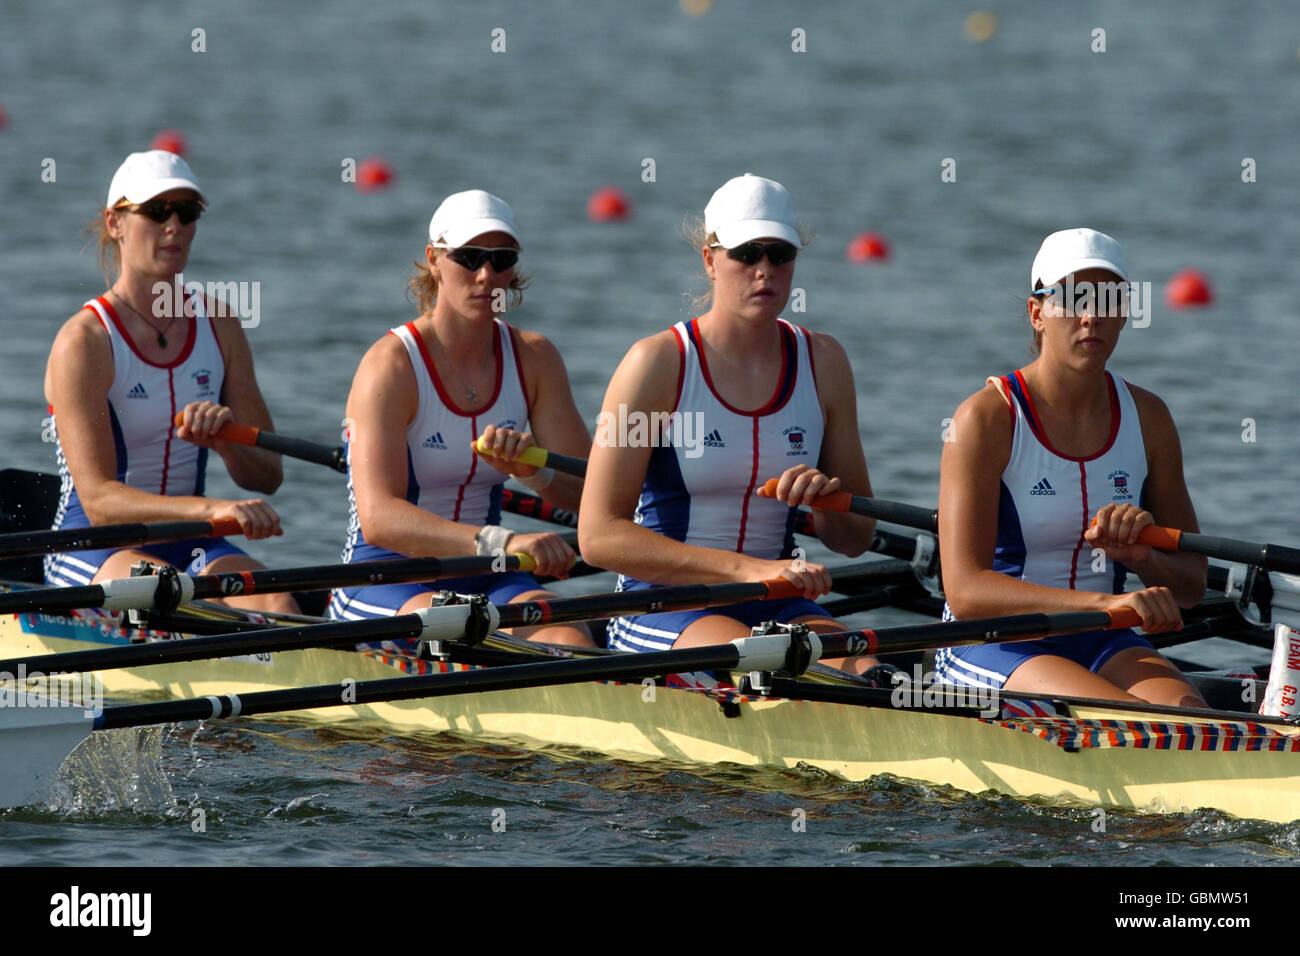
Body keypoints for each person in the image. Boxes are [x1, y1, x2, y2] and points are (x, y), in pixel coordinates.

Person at [578, 174, 883, 677]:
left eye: (780, 254)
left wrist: (824, 501)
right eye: (747, 252)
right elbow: (598, 536)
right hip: (663, 606)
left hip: (777, 602)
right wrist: (754, 570)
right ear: (710, 259)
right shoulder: (654, 365)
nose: (764, 270)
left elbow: (853, 539)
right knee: (777, 666)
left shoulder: (824, 362)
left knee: (868, 671)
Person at [935, 228, 1206, 707]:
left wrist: (1141, 557)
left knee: (1191, 719)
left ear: (1124, 314)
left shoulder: (1150, 418)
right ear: (1037, 313)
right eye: (1075, 297)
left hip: (1103, 638)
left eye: (1108, 299)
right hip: (992, 639)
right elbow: (965, 592)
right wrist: (1106, 604)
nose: (1091, 316)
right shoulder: (985, 419)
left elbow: (1190, 586)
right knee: (1131, 721)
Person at [327, 190, 593, 648]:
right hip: (384, 577)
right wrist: (503, 543)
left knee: (572, 637)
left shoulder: (535, 358)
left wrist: (535, 470)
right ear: (434, 259)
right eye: (469, 258)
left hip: (487, 579)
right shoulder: (390, 364)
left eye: (501, 259)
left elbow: (591, 496)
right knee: (457, 628)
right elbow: (380, 518)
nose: (486, 275)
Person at [44, 150, 296, 614]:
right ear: (115, 222)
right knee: (175, 595)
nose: (174, 226)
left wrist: (225, 444)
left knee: (280, 602)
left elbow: (269, 475)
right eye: (157, 211)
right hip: (93, 545)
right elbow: (99, 501)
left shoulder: (219, 325)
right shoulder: (84, 341)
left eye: (187, 212)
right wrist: (210, 510)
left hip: (187, 544)